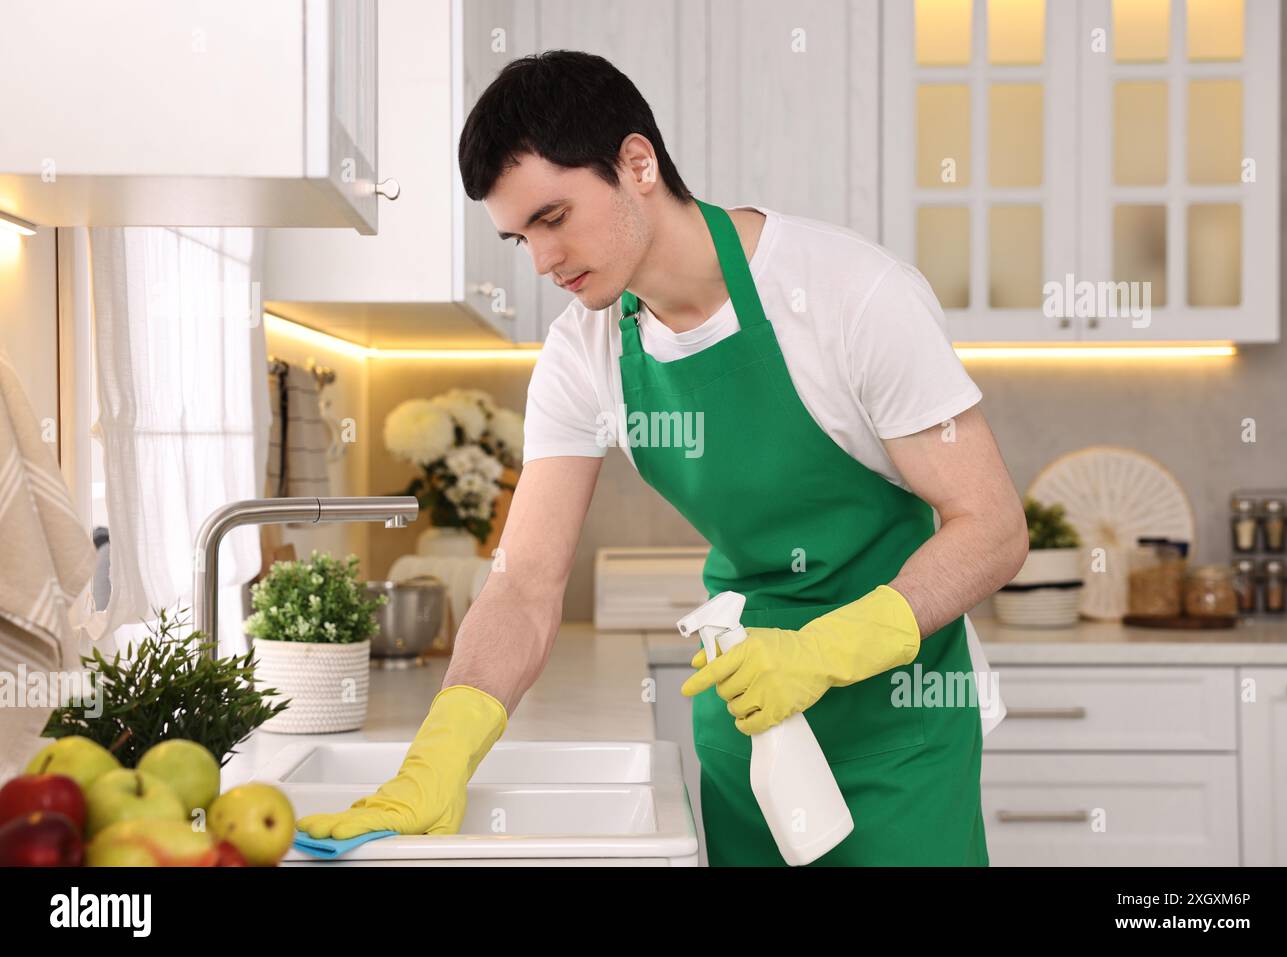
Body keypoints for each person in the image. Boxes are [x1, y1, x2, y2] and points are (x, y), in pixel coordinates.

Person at [298, 49, 1027, 866]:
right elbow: (527, 581)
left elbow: (993, 527)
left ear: (637, 164)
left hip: (900, 725)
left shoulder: (849, 295)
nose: (542, 261)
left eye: (553, 217)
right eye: (518, 238)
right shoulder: (586, 352)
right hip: (748, 727)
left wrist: (826, 650)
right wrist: (441, 751)